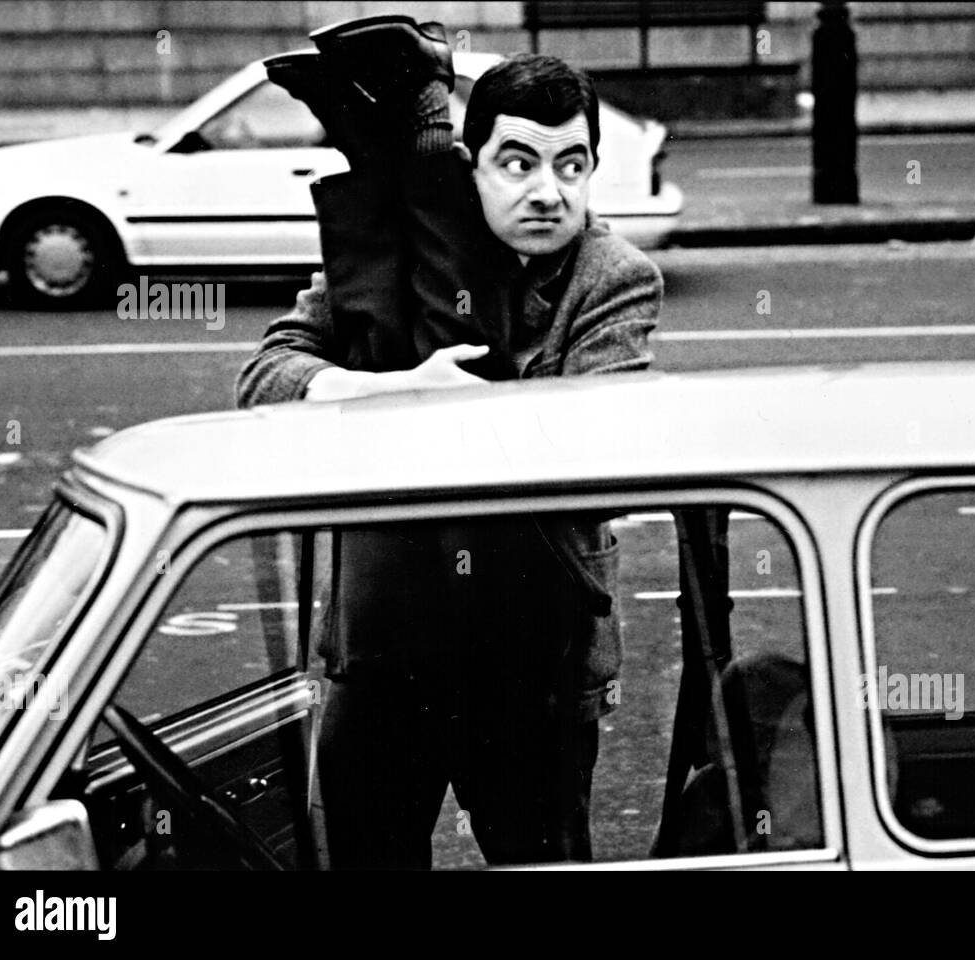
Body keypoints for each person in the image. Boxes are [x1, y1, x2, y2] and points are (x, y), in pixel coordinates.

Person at [235, 17, 663, 868]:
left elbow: (603, 464)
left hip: (532, 654)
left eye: (571, 165)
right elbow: (265, 378)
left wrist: (448, 420)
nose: (548, 192)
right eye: (519, 163)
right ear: (479, 169)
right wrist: (396, 391)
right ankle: (394, 134)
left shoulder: (610, 278)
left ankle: (394, 130)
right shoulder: (393, 259)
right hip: (384, 639)